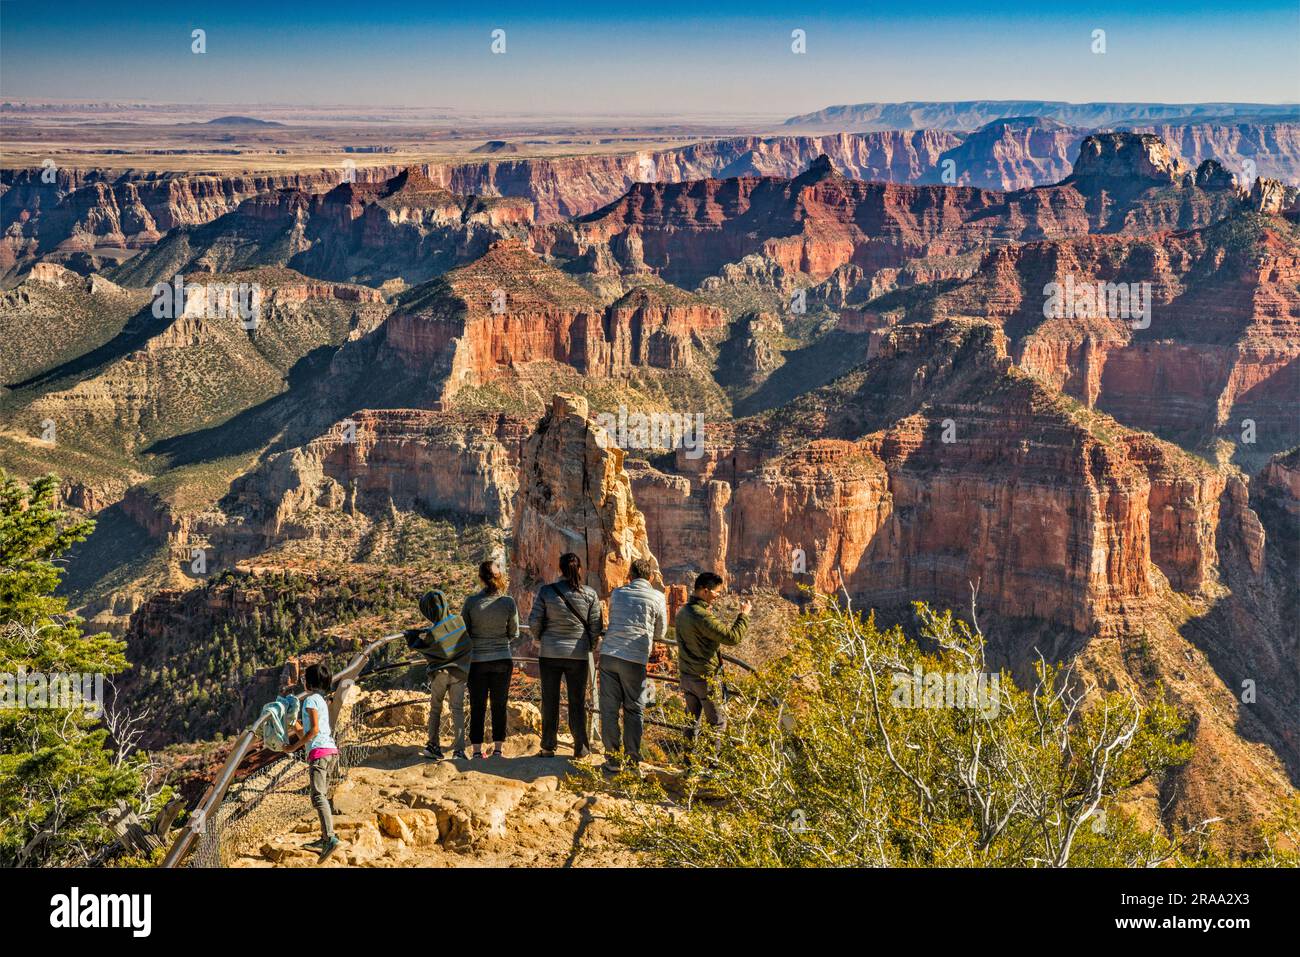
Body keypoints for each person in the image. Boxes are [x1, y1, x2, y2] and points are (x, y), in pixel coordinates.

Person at [529, 552, 603, 758]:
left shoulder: (546, 592)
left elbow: (534, 620)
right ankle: (580, 748)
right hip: (577, 655)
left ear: (560, 569)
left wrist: (540, 639)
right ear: (579, 570)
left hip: (550, 654)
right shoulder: (590, 594)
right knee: (577, 701)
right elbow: (596, 625)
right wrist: (589, 645)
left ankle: (547, 746)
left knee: (549, 700)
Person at [598, 558, 666, 775]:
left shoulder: (618, 593)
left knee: (609, 709)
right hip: (634, 659)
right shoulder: (658, 597)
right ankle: (632, 760)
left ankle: (612, 760)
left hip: (608, 655)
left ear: (630, 575)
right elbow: (661, 633)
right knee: (634, 708)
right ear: (651, 577)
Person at [673, 572, 751, 737]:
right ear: (704, 591)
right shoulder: (701, 616)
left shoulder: (682, 612)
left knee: (690, 722)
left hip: (687, 676)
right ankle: (713, 763)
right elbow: (732, 637)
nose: (718, 595)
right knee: (717, 723)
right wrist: (743, 616)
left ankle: (688, 761)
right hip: (705, 678)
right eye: (716, 591)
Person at [462, 560, 518, 759]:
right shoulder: (508, 602)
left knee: (477, 705)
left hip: (477, 661)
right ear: (499, 578)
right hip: (502, 659)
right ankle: (498, 750)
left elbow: (465, 631)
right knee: (499, 705)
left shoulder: (470, 602)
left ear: (480, 578)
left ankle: (476, 751)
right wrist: (500, 641)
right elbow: (514, 632)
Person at [405, 590, 469, 761]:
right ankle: (459, 751)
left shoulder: (433, 632)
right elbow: (467, 645)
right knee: (457, 710)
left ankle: (433, 746)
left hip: (440, 674)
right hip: (459, 673)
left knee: (435, 709)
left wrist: (412, 637)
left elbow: (425, 648)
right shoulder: (459, 622)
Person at [287, 662, 341, 864]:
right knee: (321, 796)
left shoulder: (310, 700)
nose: (302, 681)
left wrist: (293, 747)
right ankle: (325, 837)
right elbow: (307, 730)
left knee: (318, 797)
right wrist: (294, 723)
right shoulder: (321, 700)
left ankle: (330, 839)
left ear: (309, 682)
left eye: (303, 678)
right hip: (330, 751)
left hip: (319, 754)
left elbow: (314, 730)